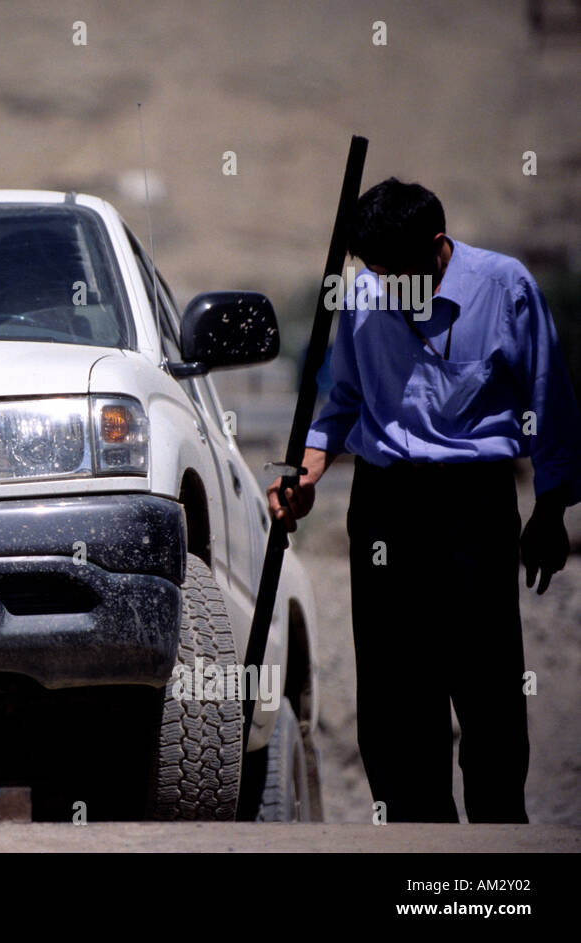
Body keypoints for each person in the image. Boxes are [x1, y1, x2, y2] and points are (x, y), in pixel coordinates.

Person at [267, 178, 581, 823]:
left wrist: (550, 510)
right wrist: (306, 472)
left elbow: (549, 403)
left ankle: (497, 851)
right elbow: (345, 404)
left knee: (488, 687)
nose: (386, 287)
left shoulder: (505, 287)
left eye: (396, 272)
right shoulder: (363, 294)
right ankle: (416, 844)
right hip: (385, 507)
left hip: (475, 506)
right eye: (374, 272)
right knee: (395, 696)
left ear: (437, 248)